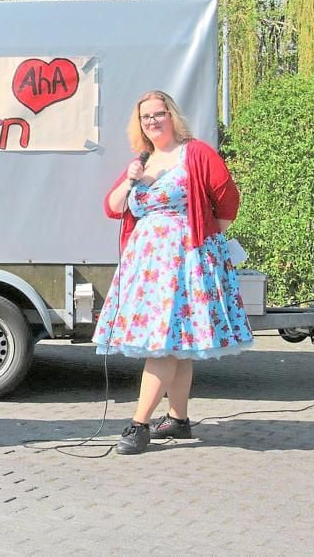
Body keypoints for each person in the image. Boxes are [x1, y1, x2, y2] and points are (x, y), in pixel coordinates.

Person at [93, 90, 253, 454]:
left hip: (186, 262)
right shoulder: (142, 160)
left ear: (172, 116)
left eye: (159, 114)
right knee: (174, 345)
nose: (152, 121)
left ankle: (139, 424)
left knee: (163, 343)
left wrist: (205, 235)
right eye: (146, 117)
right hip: (148, 268)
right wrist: (131, 178)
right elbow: (111, 207)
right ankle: (178, 419)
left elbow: (227, 198)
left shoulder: (195, 152)